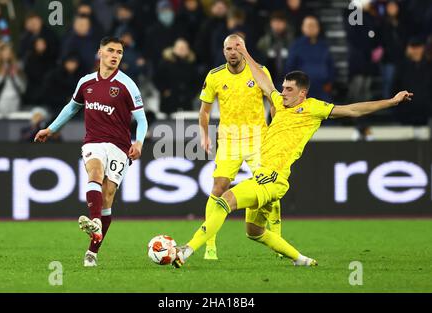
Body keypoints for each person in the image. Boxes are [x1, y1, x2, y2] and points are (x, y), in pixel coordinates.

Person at [171, 39, 413, 268]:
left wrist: (390, 102)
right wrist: (245, 53)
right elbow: (263, 82)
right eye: (283, 88)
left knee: (224, 202)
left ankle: (187, 250)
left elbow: (353, 111)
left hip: (272, 177)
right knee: (253, 232)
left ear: (302, 94)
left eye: (288, 89)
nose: (282, 92)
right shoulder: (279, 103)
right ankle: (301, 259)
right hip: (265, 176)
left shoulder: (313, 109)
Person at [34, 36, 148, 267]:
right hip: (93, 141)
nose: (115, 55)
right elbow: (72, 108)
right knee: (94, 173)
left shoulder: (127, 84)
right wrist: (50, 128)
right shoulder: (86, 82)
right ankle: (95, 221)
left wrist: (139, 142)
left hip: (119, 146)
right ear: (100, 52)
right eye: (111, 50)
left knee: (107, 197)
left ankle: (92, 252)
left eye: (119, 52)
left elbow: (142, 119)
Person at [199, 34, 281, 261]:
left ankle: (277, 240)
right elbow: (204, 111)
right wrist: (204, 135)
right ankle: (210, 245)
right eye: (228, 48)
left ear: (244, 49)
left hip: (258, 138)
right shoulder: (215, 76)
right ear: (223, 51)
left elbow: (273, 102)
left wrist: (276, 132)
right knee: (219, 187)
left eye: (237, 47)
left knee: (269, 189)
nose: (232, 52)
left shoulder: (259, 71)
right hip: (229, 140)